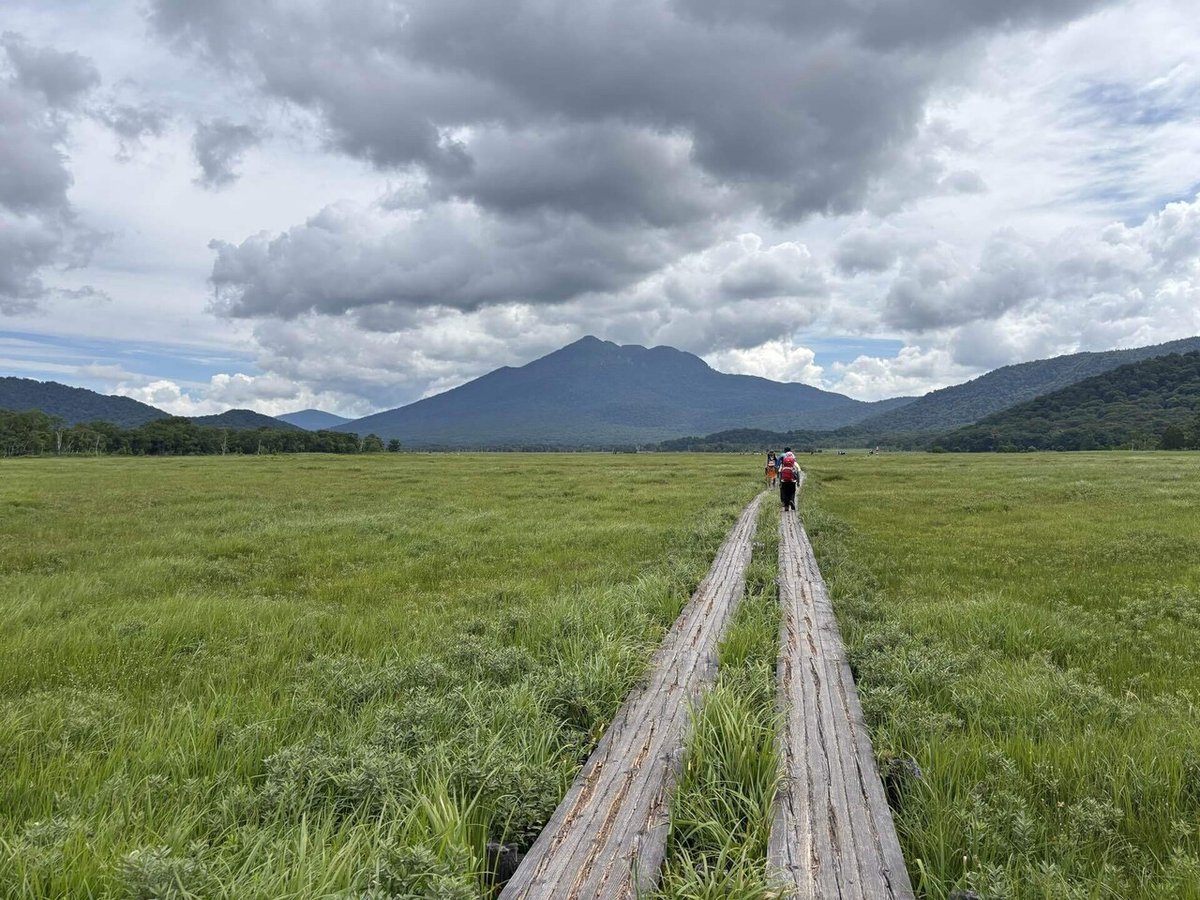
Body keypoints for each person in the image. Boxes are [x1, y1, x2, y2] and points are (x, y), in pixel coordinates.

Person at [778, 446, 799, 511]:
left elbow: (780, 472)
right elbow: (798, 472)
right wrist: (798, 481)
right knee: (792, 491)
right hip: (792, 480)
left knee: (785, 492)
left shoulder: (782, 464)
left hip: (784, 480)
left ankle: (786, 506)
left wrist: (780, 482)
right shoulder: (794, 464)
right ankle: (791, 500)